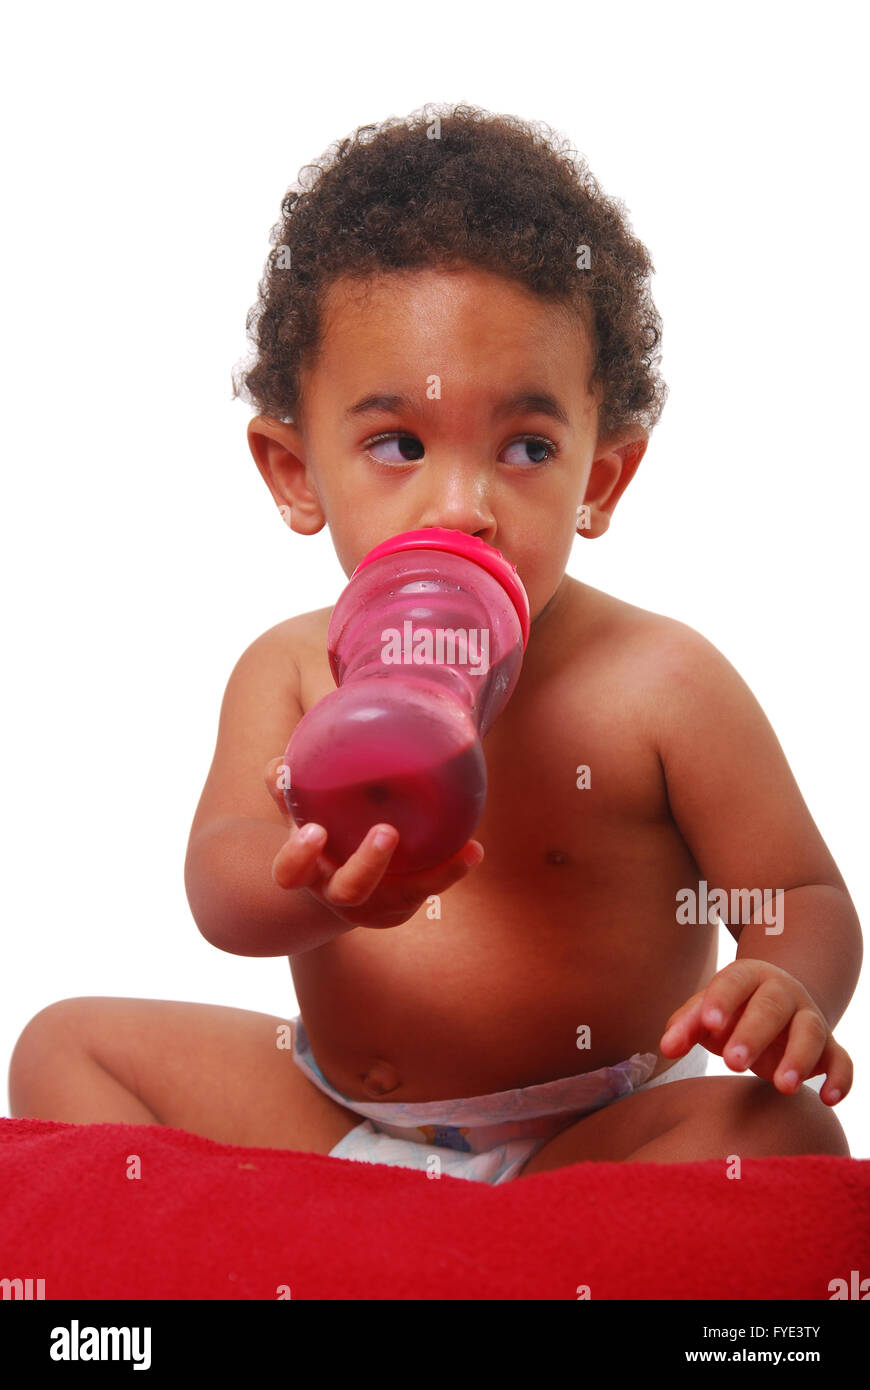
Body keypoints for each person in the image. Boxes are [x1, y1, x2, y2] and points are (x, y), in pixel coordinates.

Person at [9, 103, 859, 1184]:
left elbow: (799, 895)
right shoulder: (289, 668)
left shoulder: (663, 682)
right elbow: (221, 887)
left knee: (783, 1135)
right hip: (336, 1117)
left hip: (588, 1140)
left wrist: (787, 982)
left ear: (599, 480)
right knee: (62, 1045)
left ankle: (456, 1254)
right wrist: (317, 890)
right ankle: (375, 1237)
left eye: (527, 447)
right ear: (295, 472)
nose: (462, 506)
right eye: (398, 443)